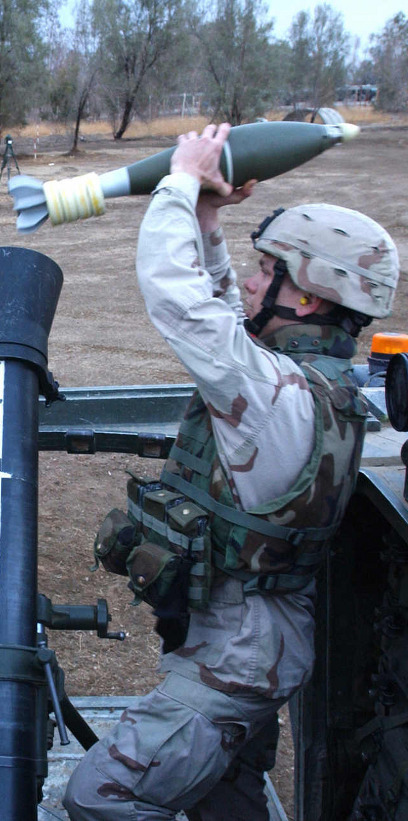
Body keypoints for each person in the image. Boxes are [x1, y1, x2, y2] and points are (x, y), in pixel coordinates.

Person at [64, 122, 400, 819]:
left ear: (306, 298)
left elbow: (179, 301)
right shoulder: (312, 380)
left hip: (237, 653)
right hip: (260, 635)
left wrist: (178, 182)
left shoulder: (275, 395)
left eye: (267, 269)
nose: (250, 279)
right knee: (225, 795)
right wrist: (208, 219)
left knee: (101, 797)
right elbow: (224, 310)